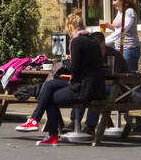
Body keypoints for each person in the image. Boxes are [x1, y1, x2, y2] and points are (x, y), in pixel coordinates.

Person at [15, 11, 93, 140]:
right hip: (87, 83)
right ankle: (39, 123)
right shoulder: (90, 39)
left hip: (81, 86)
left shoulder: (76, 40)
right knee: (49, 86)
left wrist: (66, 61)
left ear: (70, 27)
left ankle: (43, 127)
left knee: (49, 93)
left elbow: (75, 68)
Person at [103, 0, 140, 72]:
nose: (113, 3)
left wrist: (105, 41)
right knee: (119, 75)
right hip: (118, 48)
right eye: (112, 1)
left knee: (129, 76)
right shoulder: (119, 12)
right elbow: (118, 30)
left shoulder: (130, 12)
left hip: (129, 49)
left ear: (122, 0)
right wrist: (109, 27)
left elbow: (123, 30)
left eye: (115, 0)